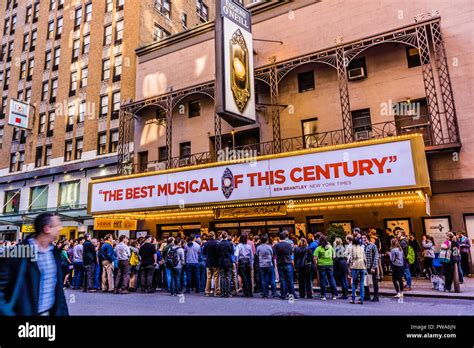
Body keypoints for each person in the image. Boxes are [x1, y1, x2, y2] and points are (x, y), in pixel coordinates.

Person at [0, 212, 69, 315]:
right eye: (57, 225)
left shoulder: (55, 253)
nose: (60, 228)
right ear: (47, 229)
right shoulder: (18, 252)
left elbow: (58, 291)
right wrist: (8, 312)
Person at [274, 232, 298, 300]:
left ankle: (283, 294)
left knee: (282, 279)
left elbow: (275, 254)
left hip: (280, 263)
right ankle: (292, 294)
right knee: (289, 279)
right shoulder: (289, 245)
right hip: (288, 262)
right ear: (285, 237)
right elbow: (291, 253)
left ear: (279, 237)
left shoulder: (276, 245)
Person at [313, 235, 338, 300]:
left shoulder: (318, 248)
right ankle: (334, 295)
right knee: (331, 279)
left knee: (322, 280)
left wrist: (316, 265)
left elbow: (315, 258)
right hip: (330, 265)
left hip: (321, 265)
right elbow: (334, 256)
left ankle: (323, 295)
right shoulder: (330, 247)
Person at [362, 234, 379, 302]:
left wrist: (373, 267)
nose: (363, 239)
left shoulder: (373, 245)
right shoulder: (362, 246)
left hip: (371, 266)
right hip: (364, 267)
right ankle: (367, 296)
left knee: (374, 281)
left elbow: (376, 256)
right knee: (365, 281)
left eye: (364, 238)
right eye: (362, 238)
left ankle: (376, 296)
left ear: (368, 238)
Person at [203, 231, 220, 297]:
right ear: (214, 236)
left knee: (208, 277)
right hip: (216, 262)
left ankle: (207, 291)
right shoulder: (217, 243)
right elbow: (218, 252)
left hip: (208, 262)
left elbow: (204, 253)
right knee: (216, 277)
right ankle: (216, 291)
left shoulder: (206, 244)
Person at [217, 231, 234, 298]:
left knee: (222, 277)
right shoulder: (230, 243)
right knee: (228, 277)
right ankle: (228, 292)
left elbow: (217, 253)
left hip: (221, 261)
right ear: (226, 236)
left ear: (221, 236)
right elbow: (232, 252)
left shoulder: (219, 244)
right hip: (228, 261)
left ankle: (222, 292)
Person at [349, 237, 366, 304]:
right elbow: (365, 258)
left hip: (355, 265)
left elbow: (351, 257)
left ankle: (353, 299)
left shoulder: (352, 247)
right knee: (361, 283)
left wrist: (350, 264)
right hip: (362, 265)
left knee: (354, 283)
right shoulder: (362, 247)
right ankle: (361, 299)